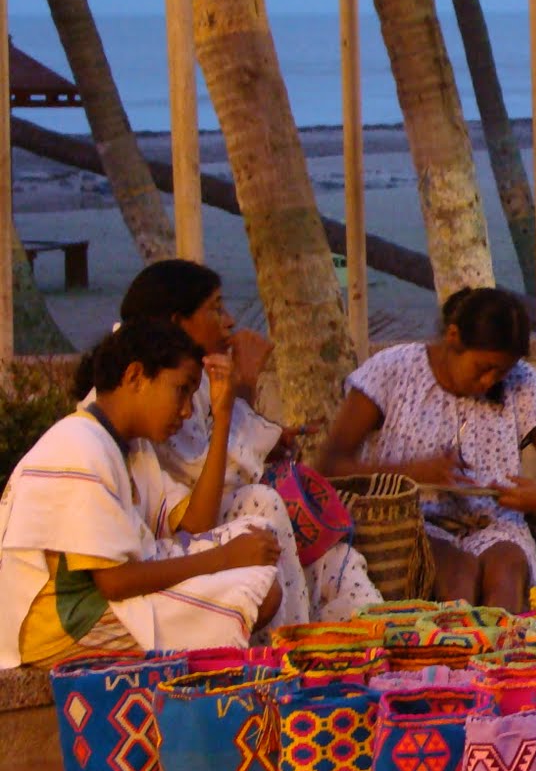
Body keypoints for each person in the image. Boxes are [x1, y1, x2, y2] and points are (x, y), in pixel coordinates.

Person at [111, 260, 381, 624]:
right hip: (174, 551)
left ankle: (367, 634)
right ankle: (291, 642)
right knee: (261, 502)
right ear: (177, 323)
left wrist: (242, 402)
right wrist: (242, 390)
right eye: (215, 307)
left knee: (337, 560)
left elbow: (226, 461)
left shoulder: (192, 374)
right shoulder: (153, 385)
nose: (229, 320)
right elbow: (211, 496)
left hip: (197, 536)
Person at [0, 321, 283, 667]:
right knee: (259, 591)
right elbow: (115, 582)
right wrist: (225, 559)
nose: (187, 411)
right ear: (135, 377)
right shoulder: (79, 446)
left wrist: (223, 418)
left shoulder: (126, 448)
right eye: (181, 390)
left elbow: (194, 525)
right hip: (65, 628)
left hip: (94, 608)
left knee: (254, 536)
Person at [317, 287, 536, 610]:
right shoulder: (392, 370)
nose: (489, 381)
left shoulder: (520, 381)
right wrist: (410, 473)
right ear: (453, 337)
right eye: (483, 368)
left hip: (495, 526)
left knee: (507, 572)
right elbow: (328, 466)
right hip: (413, 527)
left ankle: (505, 656)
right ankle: (452, 652)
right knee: (457, 577)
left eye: (500, 373)